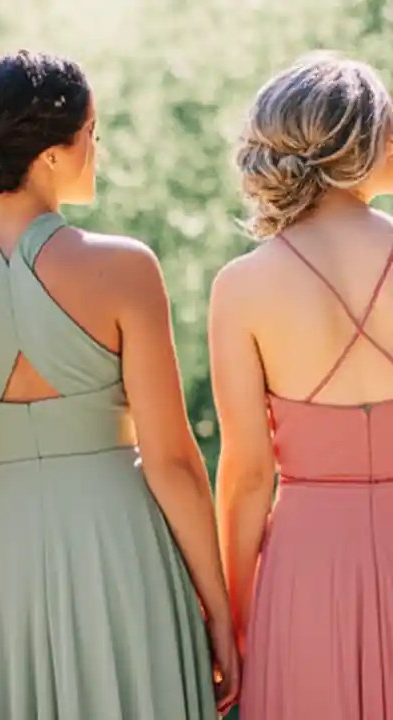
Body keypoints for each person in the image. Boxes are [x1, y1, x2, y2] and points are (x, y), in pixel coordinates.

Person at [0, 50, 237, 718]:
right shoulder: (124, 268)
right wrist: (221, 612)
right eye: (92, 134)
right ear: (52, 153)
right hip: (121, 546)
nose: (97, 150)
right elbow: (172, 462)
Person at [212, 52, 393, 720]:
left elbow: (247, 475)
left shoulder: (242, 287)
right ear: (359, 144)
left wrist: (234, 613)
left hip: (307, 565)